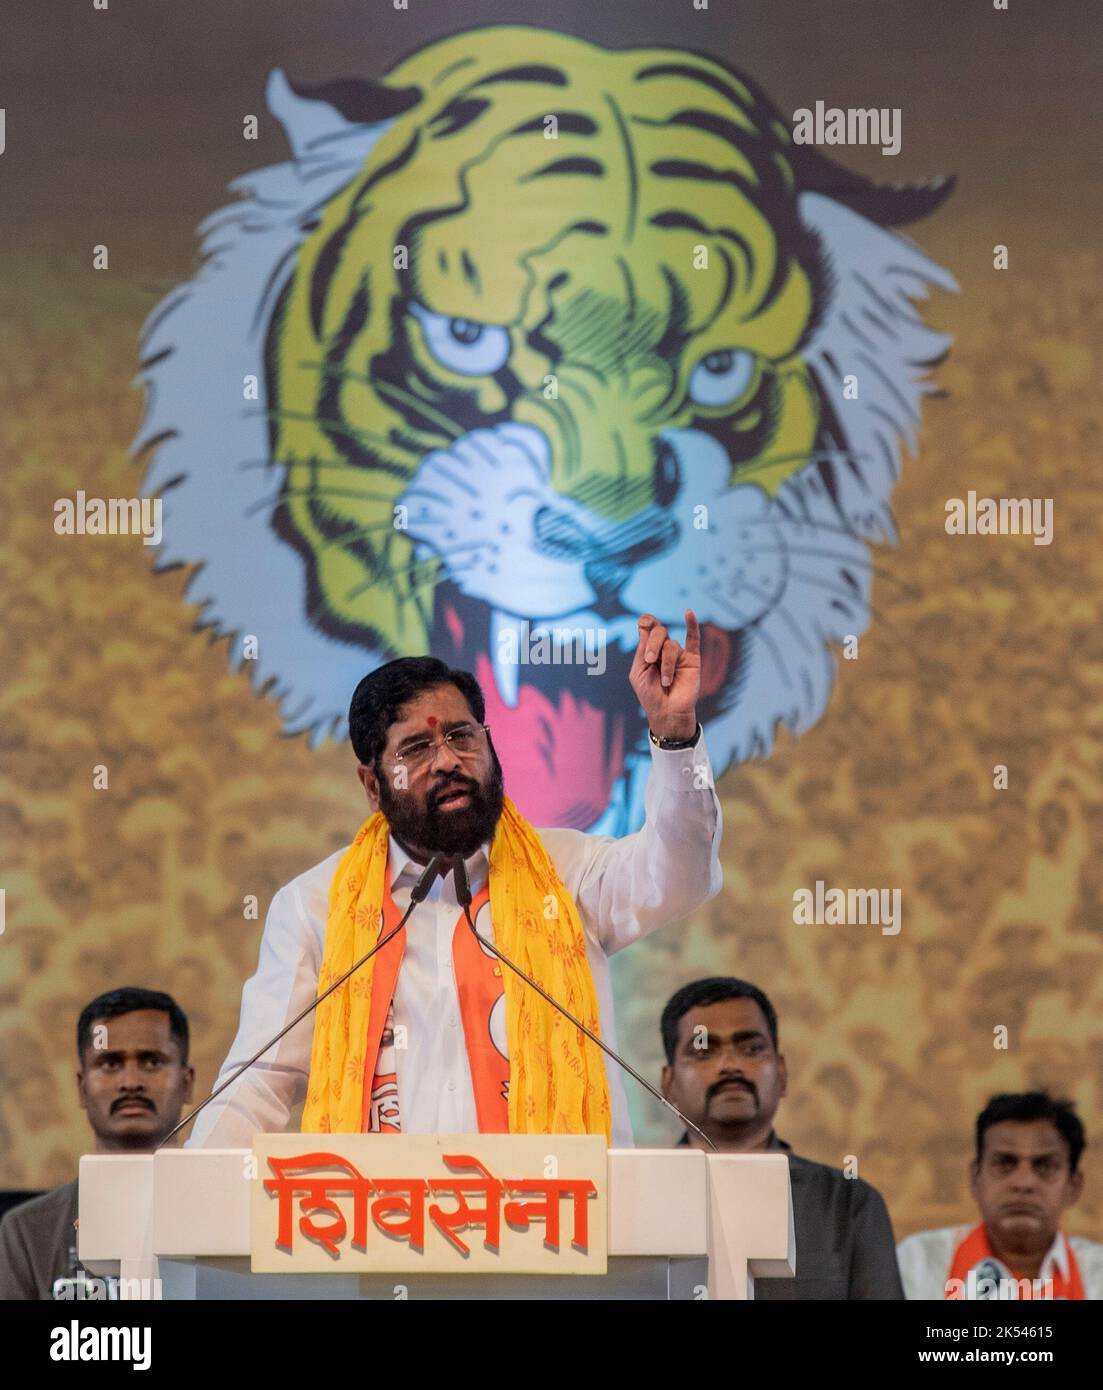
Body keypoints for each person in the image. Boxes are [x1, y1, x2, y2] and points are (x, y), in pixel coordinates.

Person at [188, 611, 722, 1148]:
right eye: (416, 749)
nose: (448, 760)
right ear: (373, 785)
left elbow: (681, 874)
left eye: (462, 736)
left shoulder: (567, 872)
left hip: (561, 1217)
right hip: (374, 1223)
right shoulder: (313, 907)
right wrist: (188, 1198)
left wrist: (674, 736)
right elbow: (258, 1080)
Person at [660, 976, 904, 1299]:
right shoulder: (635, 1200)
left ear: (782, 1073)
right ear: (669, 1084)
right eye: (704, 1050)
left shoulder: (848, 1204)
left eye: (751, 1048)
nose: (730, 1065)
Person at [0, 987, 194, 1300]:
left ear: (187, 1083)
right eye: (109, 1063)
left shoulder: (236, 1216)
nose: (131, 1082)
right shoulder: (27, 1232)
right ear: (81, 1087)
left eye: (152, 1061)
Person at [896, 1092, 1103, 1299]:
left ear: (1073, 1186)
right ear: (975, 1178)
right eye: (1005, 1163)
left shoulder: (1097, 1274)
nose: (1023, 1183)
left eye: (1045, 1166)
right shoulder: (917, 1264)